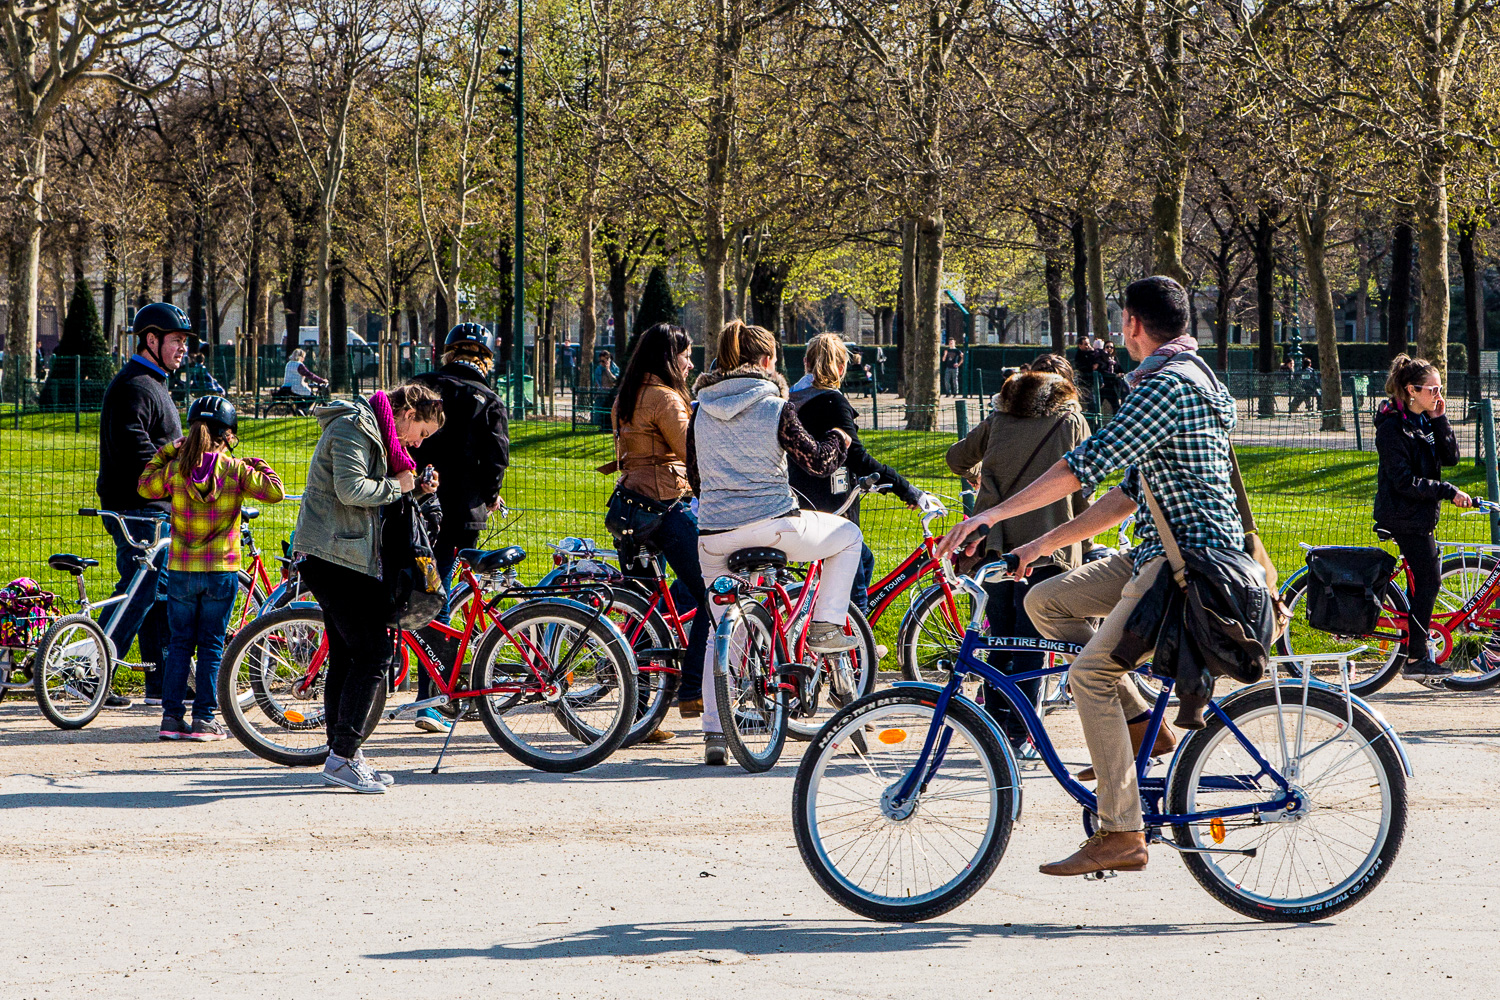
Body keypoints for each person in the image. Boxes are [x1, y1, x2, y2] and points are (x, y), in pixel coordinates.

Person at [939, 275, 1242, 878]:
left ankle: (1120, 830)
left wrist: (994, 512)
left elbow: (1085, 467)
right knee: (1045, 603)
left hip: (1186, 564)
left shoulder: (1168, 387)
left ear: (1132, 324)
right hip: (1160, 552)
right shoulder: (1190, 380)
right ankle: (1142, 730)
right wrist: (1040, 544)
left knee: (1088, 674)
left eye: (1119, 321)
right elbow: (1128, 494)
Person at [687, 321, 859, 766]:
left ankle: (714, 732)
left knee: (720, 626)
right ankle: (825, 625)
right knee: (848, 538)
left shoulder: (699, 408)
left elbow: (694, 477)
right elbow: (818, 462)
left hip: (713, 534)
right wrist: (841, 436)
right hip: (773, 526)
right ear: (766, 363)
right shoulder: (775, 405)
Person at [294, 383, 445, 793]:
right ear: (409, 414)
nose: (418, 444)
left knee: (346, 656)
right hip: (331, 554)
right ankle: (342, 757)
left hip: (345, 555)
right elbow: (351, 489)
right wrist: (401, 486)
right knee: (375, 653)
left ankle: (341, 755)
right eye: (423, 434)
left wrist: (413, 487)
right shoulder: (353, 427)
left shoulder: (376, 432)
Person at [945, 369, 1091, 746]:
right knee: (1032, 646)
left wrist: (982, 478)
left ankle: (992, 727)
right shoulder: (1070, 421)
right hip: (1049, 542)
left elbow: (955, 458)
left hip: (995, 542)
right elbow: (1083, 484)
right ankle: (1023, 731)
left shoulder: (997, 420)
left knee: (998, 640)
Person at [137, 396, 284, 741]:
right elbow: (275, 492)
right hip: (222, 569)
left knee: (179, 643)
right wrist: (258, 464)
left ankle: (171, 719)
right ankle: (204, 718)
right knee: (212, 644)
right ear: (228, 435)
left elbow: (144, 485)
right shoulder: (235, 471)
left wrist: (167, 452)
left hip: (182, 570)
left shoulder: (176, 471)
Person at [603, 322, 709, 736]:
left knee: (644, 615)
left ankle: (639, 715)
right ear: (669, 357)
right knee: (712, 595)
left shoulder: (628, 394)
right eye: (685, 353)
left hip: (630, 510)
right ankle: (693, 688)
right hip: (665, 507)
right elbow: (692, 453)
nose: (690, 361)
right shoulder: (665, 398)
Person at [408, 323, 511, 733]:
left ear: (448, 352)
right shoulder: (488, 400)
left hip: (412, 503)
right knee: (441, 596)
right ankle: (432, 697)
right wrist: (489, 495)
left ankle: (402, 685)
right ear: (485, 359)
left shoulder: (421, 387)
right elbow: (496, 460)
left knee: (411, 586)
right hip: (458, 516)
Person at [789, 333, 928, 614]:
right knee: (854, 593)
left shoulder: (791, 399)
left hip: (800, 501)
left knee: (864, 561)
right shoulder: (832, 402)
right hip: (833, 508)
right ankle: (856, 652)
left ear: (806, 363)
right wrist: (905, 489)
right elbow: (857, 458)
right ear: (842, 368)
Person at [96, 302, 192, 708]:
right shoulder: (134, 386)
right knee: (138, 589)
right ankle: (87, 674)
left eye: (185, 342)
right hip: (135, 509)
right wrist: (168, 498)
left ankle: (161, 684)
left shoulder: (153, 384)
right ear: (151, 340)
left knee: (157, 592)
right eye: (176, 340)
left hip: (151, 508)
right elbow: (137, 454)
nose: (182, 348)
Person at [1375, 354, 1471, 681]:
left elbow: (1452, 458)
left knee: (1424, 581)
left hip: (1419, 517)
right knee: (1430, 581)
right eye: (1431, 389)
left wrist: (1441, 418)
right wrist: (1446, 490)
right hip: (1404, 517)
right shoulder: (1392, 427)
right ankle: (1416, 659)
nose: (1437, 395)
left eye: (1440, 389)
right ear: (1410, 390)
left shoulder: (1424, 420)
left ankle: (1416, 649)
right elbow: (1402, 481)